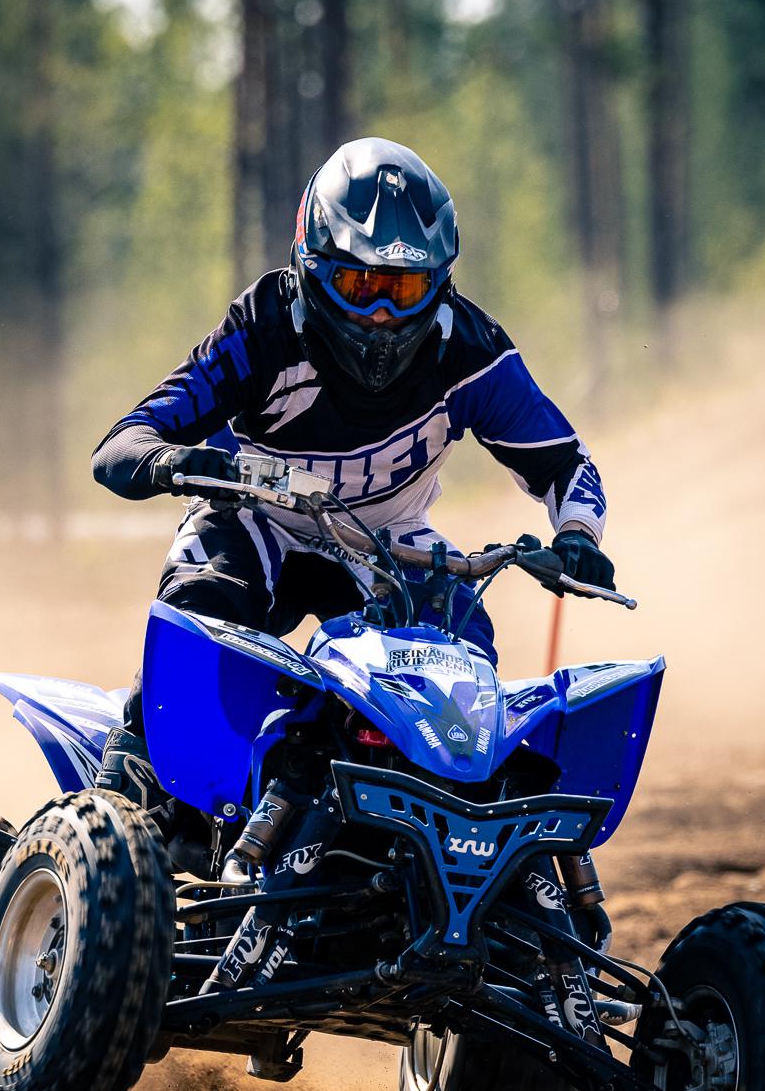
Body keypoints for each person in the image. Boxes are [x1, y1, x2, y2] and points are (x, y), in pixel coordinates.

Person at [90, 135, 615, 802]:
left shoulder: (473, 353)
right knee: (196, 622)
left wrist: (578, 537)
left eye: (404, 288)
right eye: (361, 284)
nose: (382, 315)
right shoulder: (264, 328)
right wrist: (168, 461)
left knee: (468, 664)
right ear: (311, 266)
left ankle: (460, 825)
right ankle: (120, 796)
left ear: (442, 281)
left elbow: (567, 464)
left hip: (390, 543)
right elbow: (120, 444)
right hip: (257, 527)